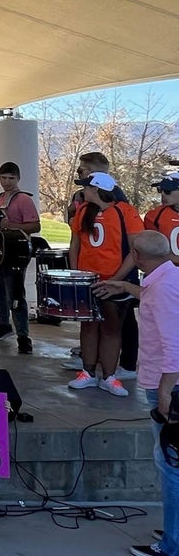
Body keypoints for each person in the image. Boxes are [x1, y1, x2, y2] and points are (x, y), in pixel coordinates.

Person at [94, 231, 179, 556]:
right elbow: (155, 295)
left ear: (137, 256)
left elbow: (175, 346)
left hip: (168, 385)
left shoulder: (163, 290)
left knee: (170, 464)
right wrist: (128, 288)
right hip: (166, 382)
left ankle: (172, 545)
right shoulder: (169, 276)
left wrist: (165, 393)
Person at [67, 171, 143, 397]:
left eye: (87, 187)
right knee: (88, 326)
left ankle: (109, 376)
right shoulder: (83, 211)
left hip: (116, 281)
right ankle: (88, 373)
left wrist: (116, 280)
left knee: (112, 328)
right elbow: (75, 245)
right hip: (88, 280)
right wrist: (76, 275)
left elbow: (135, 251)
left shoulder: (125, 212)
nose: (84, 190)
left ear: (97, 189)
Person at [0, 161, 42, 353]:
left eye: (11, 178)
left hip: (16, 252)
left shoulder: (24, 199)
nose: (7, 181)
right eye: (4, 177)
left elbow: (35, 226)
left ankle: (23, 335)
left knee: (15, 294)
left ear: (18, 179)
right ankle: (3, 325)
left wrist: (12, 225)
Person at [146, 171, 179, 265]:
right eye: (160, 189)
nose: (163, 194)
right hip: (167, 270)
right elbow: (151, 250)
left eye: (168, 190)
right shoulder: (154, 215)